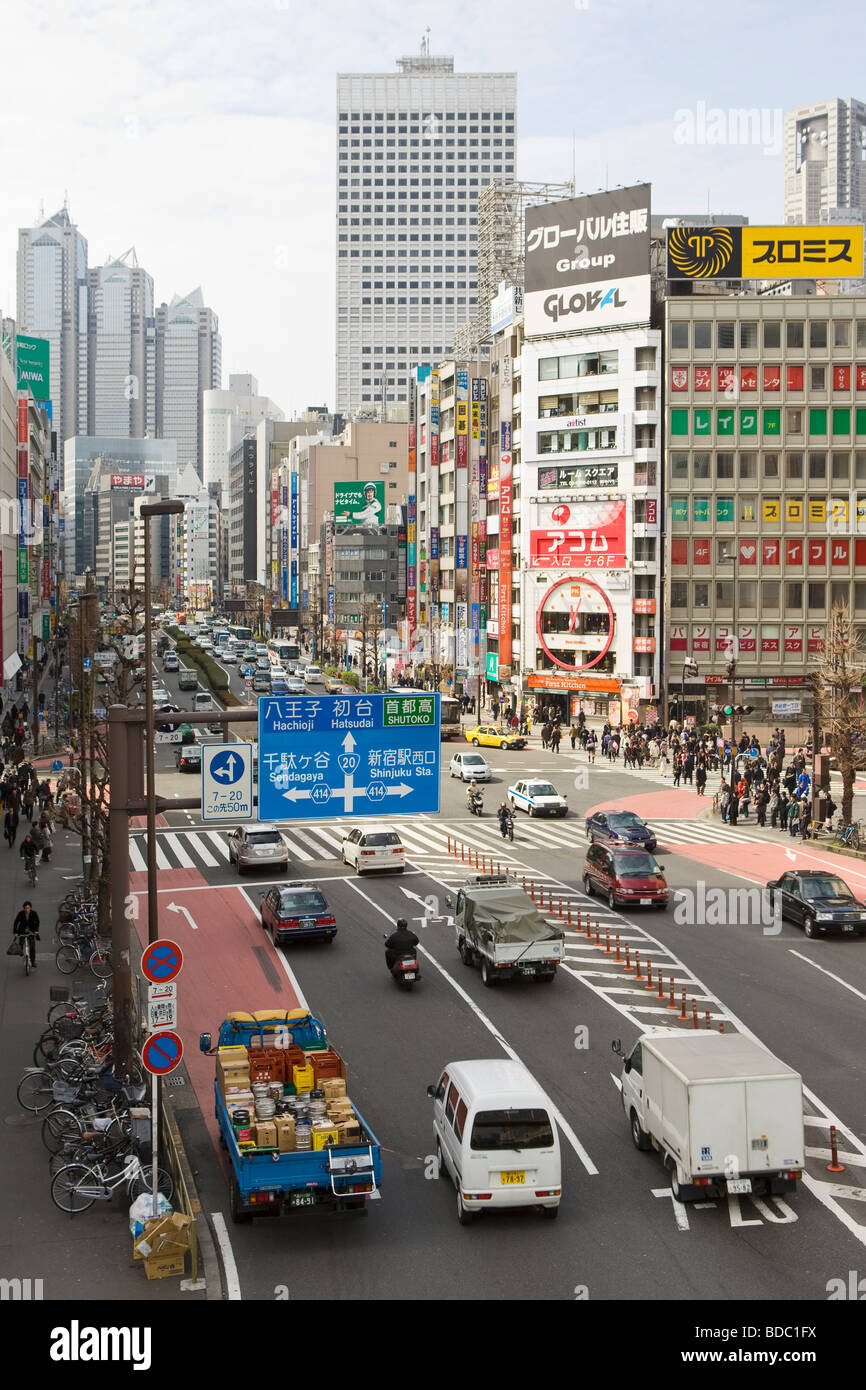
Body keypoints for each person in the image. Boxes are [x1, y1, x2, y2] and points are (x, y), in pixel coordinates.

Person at [12, 900, 40, 968]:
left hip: (31, 931)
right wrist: (15, 932)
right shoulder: (20, 913)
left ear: (30, 908)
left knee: (32, 947)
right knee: (21, 943)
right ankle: (21, 951)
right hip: (22, 930)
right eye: (25, 908)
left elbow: (37, 921)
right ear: (24, 908)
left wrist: (36, 930)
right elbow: (16, 922)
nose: (27, 909)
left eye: (28, 908)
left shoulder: (34, 913)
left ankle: (33, 962)